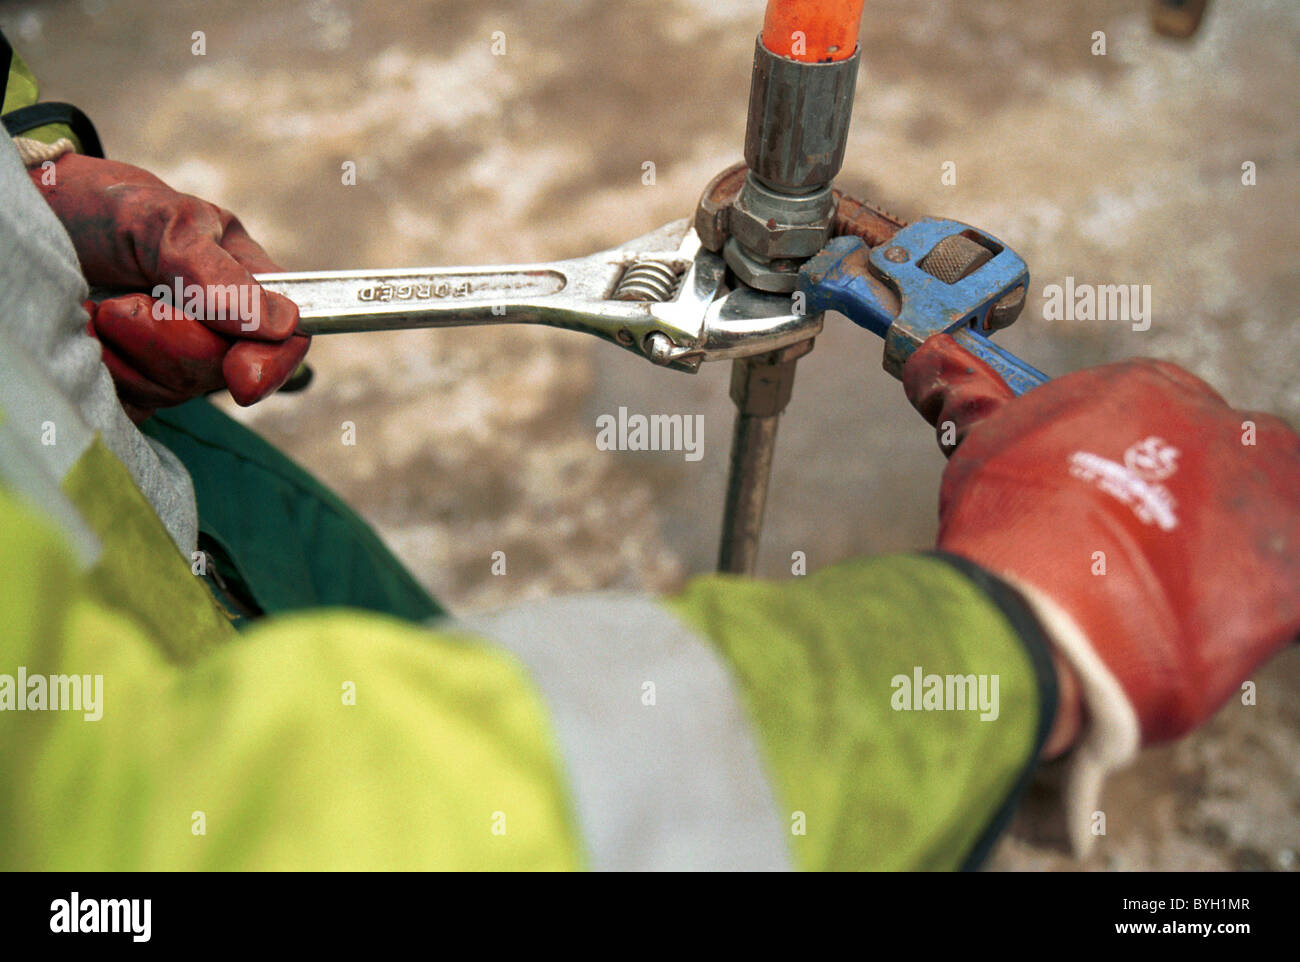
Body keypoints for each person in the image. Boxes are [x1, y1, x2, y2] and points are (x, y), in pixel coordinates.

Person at [1, 34, 1296, 871]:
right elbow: (228, 826)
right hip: (170, 701)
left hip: (167, 494)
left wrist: (31, 188)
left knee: (426, 670)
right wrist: (1013, 637)